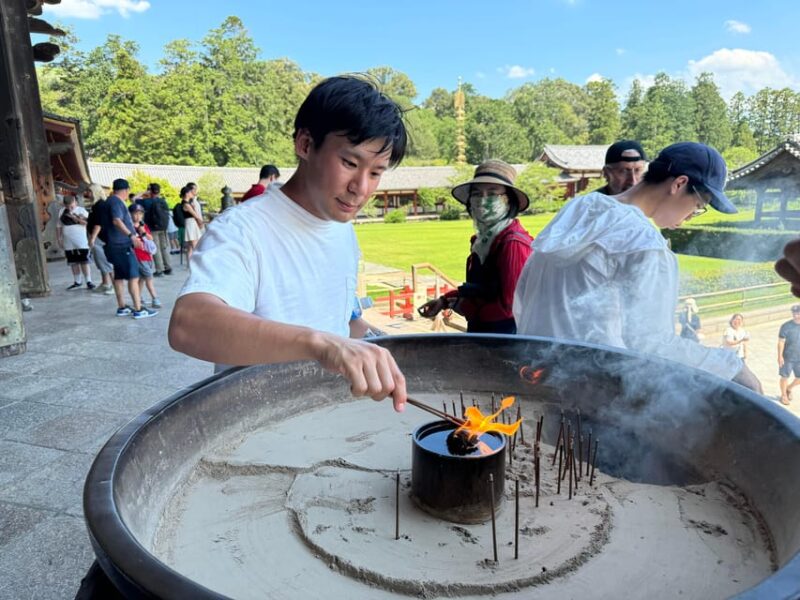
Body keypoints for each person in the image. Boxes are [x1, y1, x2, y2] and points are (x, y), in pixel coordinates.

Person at [168, 75, 408, 410]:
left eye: (376, 172)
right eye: (350, 163)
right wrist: (320, 343)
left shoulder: (342, 230)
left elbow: (341, 320)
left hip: (328, 415)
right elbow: (188, 323)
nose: (361, 188)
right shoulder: (242, 229)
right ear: (306, 144)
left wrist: (377, 347)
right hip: (257, 423)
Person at [513, 141, 762, 393]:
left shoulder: (576, 211)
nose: (690, 216)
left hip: (533, 376)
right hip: (591, 391)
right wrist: (731, 366)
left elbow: (523, 297)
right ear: (678, 184)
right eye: (698, 206)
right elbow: (651, 343)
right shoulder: (643, 244)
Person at [417, 159, 533, 333]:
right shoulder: (484, 240)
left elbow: (510, 306)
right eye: (477, 194)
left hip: (505, 340)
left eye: (492, 193)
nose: (483, 200)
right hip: (485, 334)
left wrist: (467, 308)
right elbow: (482, 289)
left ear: (508, 200)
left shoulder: (513, 244)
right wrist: (444, 300)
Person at [100, 178, 158, 319]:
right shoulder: (116, 202)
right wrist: (131, 235)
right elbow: (117, 220)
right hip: (121, 244)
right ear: (126, 191)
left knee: (119, 276)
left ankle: (122, 307)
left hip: (112, 244)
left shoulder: (109, 202)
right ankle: (138, 309)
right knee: (133, 276)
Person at [56, 195, 95, 290]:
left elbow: (88, 223)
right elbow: (58, 226)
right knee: (73, 261)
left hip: (81, 240)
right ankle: (77, 281)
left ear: (75, 203)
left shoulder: (81, 211)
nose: (70, 208)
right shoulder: (62, 211)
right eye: (67, 206)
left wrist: (75, 218)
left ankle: (89, 281)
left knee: (84, 261)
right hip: (68, 241)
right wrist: (59, 238)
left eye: (71, 206)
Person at [130, 203, 161, 308]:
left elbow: (150, 238)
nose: (138, 216)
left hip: (146, 255)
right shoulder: (129, 227)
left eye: (140, 214)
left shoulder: (143, 226)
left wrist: (142, 232)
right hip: (138, 256)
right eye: (135, 213)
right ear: (130, 214)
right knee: (149, 277)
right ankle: (155, 298)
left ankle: (138, 296)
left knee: (142, 278)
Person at [86, 183, 116, 295]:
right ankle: (105, 283)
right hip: (97, 236)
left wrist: (92, 238)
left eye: (89, 191)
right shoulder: (96, 205)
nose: (87, 194)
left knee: (105, 261)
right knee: (100, 261)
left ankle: (114, 286)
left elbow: (99, 224)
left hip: (100, 237)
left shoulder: (101, 205)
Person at [141, 183, 172, 276]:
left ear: (150, 191)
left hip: (152, 228)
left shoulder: (146, 202)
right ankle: (168, 267)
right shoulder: (163, 201)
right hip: (163, 227)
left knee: (156, 248)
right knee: (164, 247)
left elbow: (134, 199)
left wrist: (144, 193)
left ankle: (159, 269)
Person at [778, 305, 800, 405]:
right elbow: (781, 342)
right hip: (788, 357)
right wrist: (779, 356)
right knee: (784, 377)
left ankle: (788, 388)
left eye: (798, 313)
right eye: (794, 313)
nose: (796, 315)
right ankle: (783, 395)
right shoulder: (786, 326)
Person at [180, 184, 204, 263]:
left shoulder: (186, 203)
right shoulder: (186, 204)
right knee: (195, 245)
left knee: (190, 246)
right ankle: (198, 263)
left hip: (190, 223)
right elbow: (195, 215)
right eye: (190, 192)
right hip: (191, 223)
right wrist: (200, 222)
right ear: (187, 193)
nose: (192, 193)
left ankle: (190, 264)